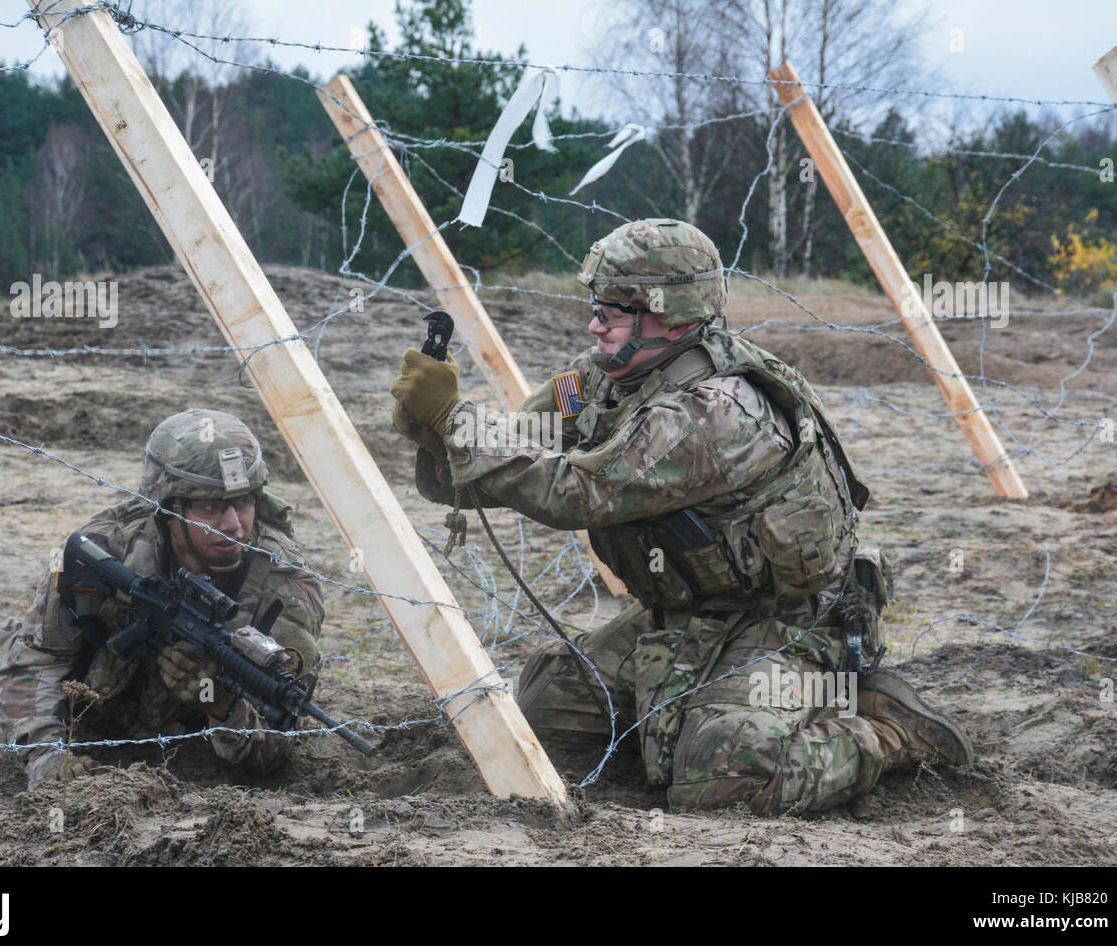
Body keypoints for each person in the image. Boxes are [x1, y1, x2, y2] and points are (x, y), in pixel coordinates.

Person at [390, 218, 972, 814]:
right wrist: (435, 435)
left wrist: (457, 423)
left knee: (722, 774)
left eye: (614, 311)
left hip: (786, 622)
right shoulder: (600, 379)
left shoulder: (715, 412)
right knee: (546, 708)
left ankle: (884, 727)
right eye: (596, 307)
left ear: (669, 314)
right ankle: (694, 720)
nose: (595, 324)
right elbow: (515, 451)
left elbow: (576, 492)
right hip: (684, 612)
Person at [0, 409, 324, 790]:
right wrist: (47, 756)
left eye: (244, 503)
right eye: (211, 508)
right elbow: (37, 661)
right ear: (168, 510)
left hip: (188, 733)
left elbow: (276, 749)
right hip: (88, 704)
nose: (233, 525)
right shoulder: (106, 549)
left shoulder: (286, 587)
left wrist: (221, 704)